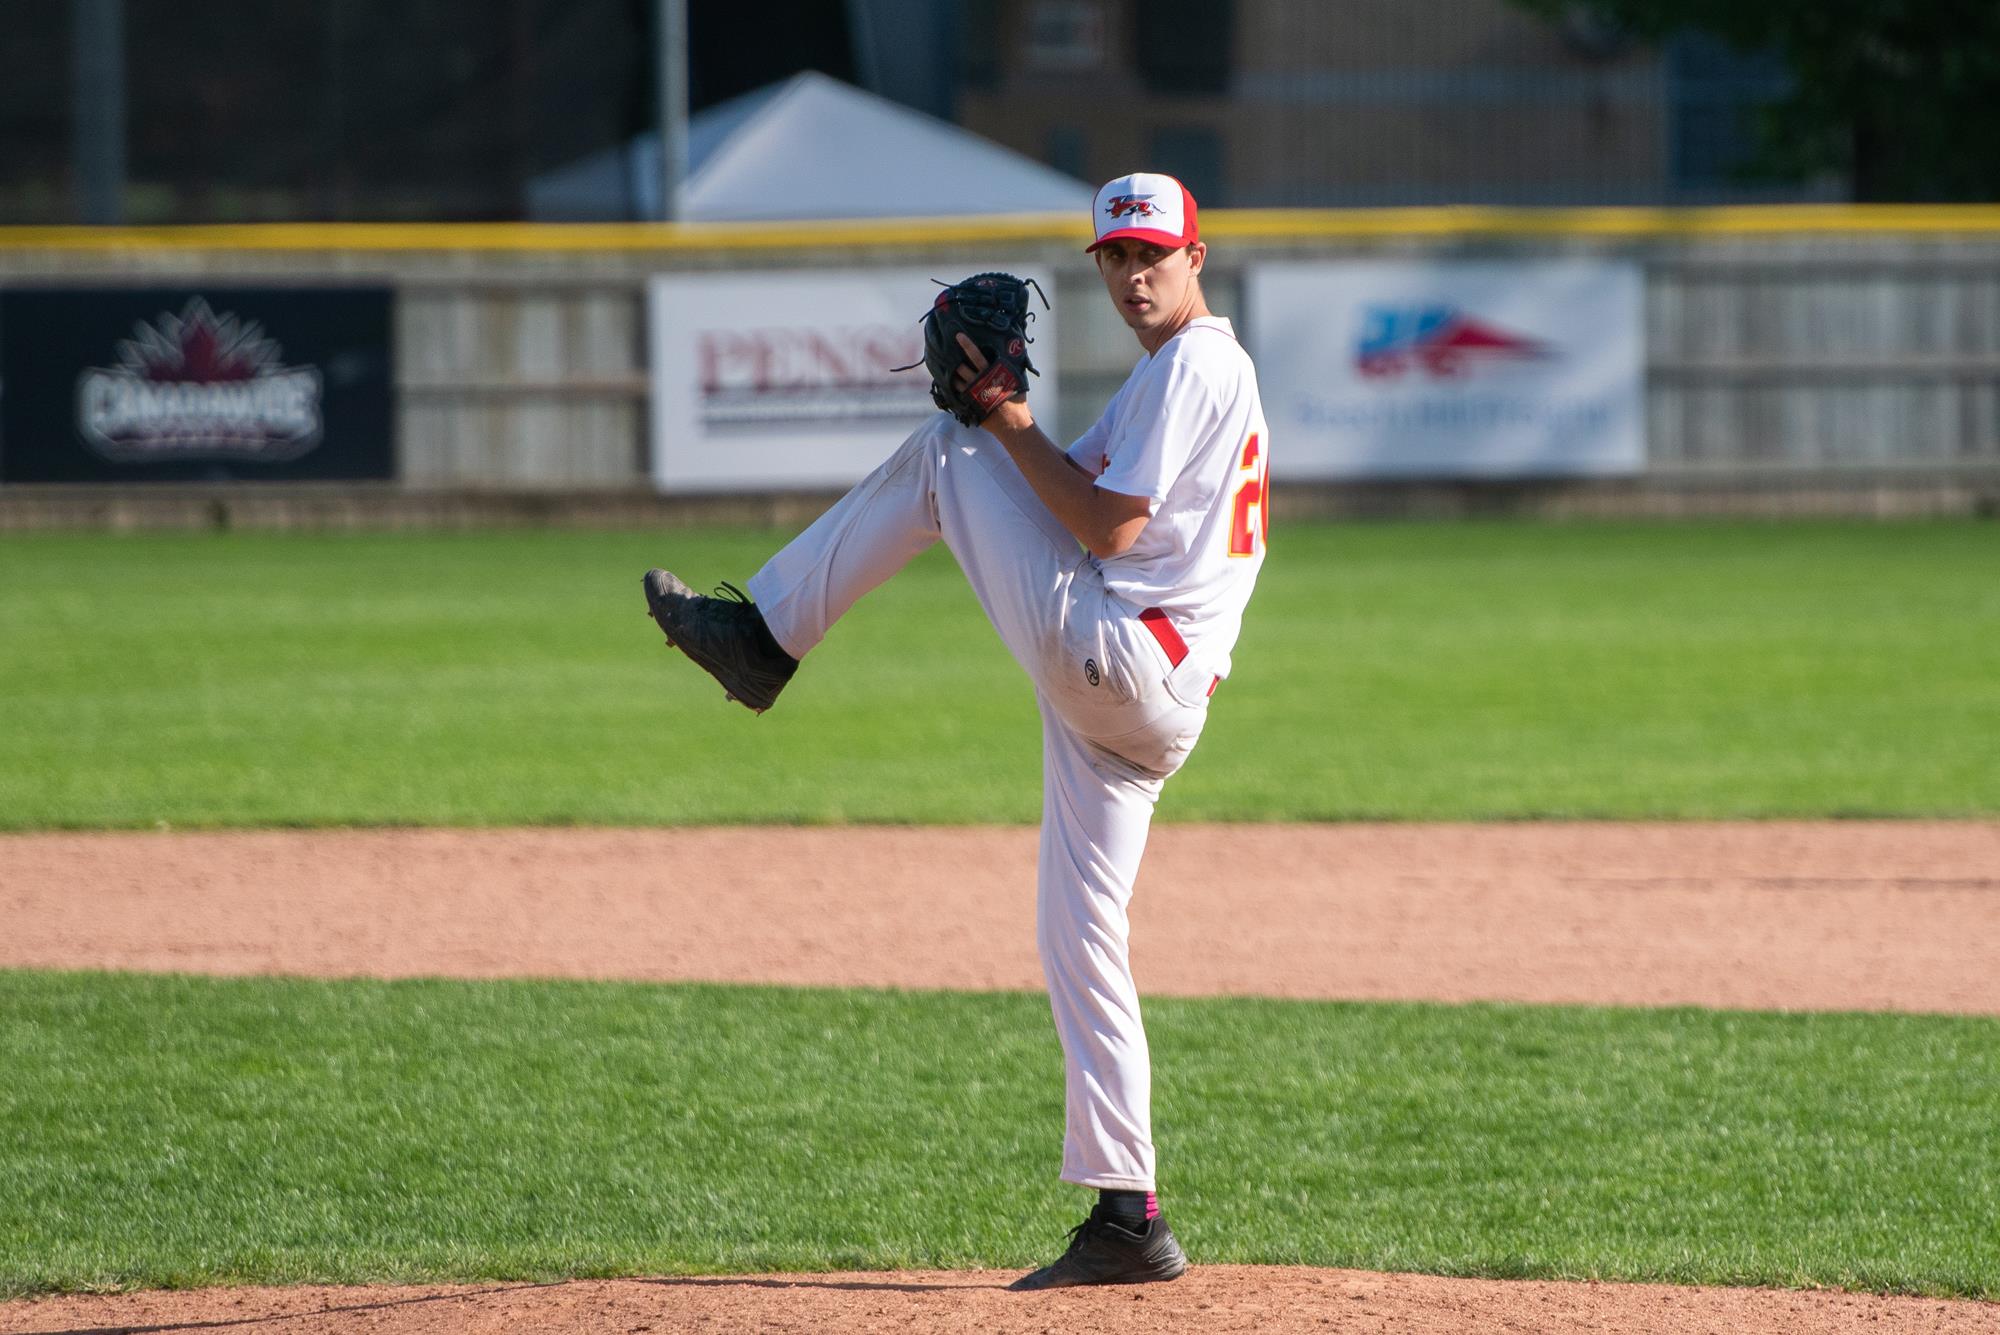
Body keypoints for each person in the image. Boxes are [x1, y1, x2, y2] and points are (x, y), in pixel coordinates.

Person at [642, 171, 1270, 1290]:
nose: (1133, 275)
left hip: (1118, 652)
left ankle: (764, 639)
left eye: (1152, 255)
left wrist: (1000, 418)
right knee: (1076, 935)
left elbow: (1107, 527)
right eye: (1115, 259)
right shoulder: (1174, 375)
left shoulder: (1197, 363)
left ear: (1195, 257)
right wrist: (1011, 424)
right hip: (1149, 699)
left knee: (943, 459)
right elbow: (1081, 484)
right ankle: (1128, 1213)